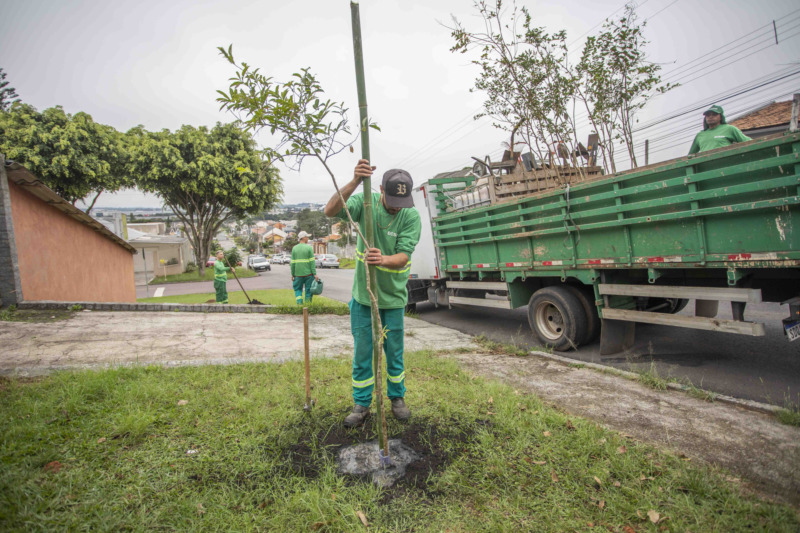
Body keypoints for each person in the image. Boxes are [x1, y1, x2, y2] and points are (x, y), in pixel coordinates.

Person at [324, 159, 422, 427]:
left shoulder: (410, 216)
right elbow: (330, 210)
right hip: (363, 298)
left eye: (401, 202)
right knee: (363, 351)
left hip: (393, 299)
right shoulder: (364, 203)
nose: (395, 207)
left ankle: (397, 398)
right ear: (380, 190)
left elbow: (403, 256)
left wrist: (384, 259)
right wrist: (355, 180)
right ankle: (362, 403)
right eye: (391, 201)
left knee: (394, 351)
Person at [290, 231, 320, 305]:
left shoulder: (294, 248)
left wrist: (292, 274)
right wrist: (315, 274)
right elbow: (312, 263)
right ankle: (307, 306)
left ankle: (299, 304)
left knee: (297, 289)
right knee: (309, 290)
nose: (307, 239)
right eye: (307, 237)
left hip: (297, 274)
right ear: (303, 238)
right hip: (309, 274)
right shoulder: (309, 248)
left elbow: (292, 263)